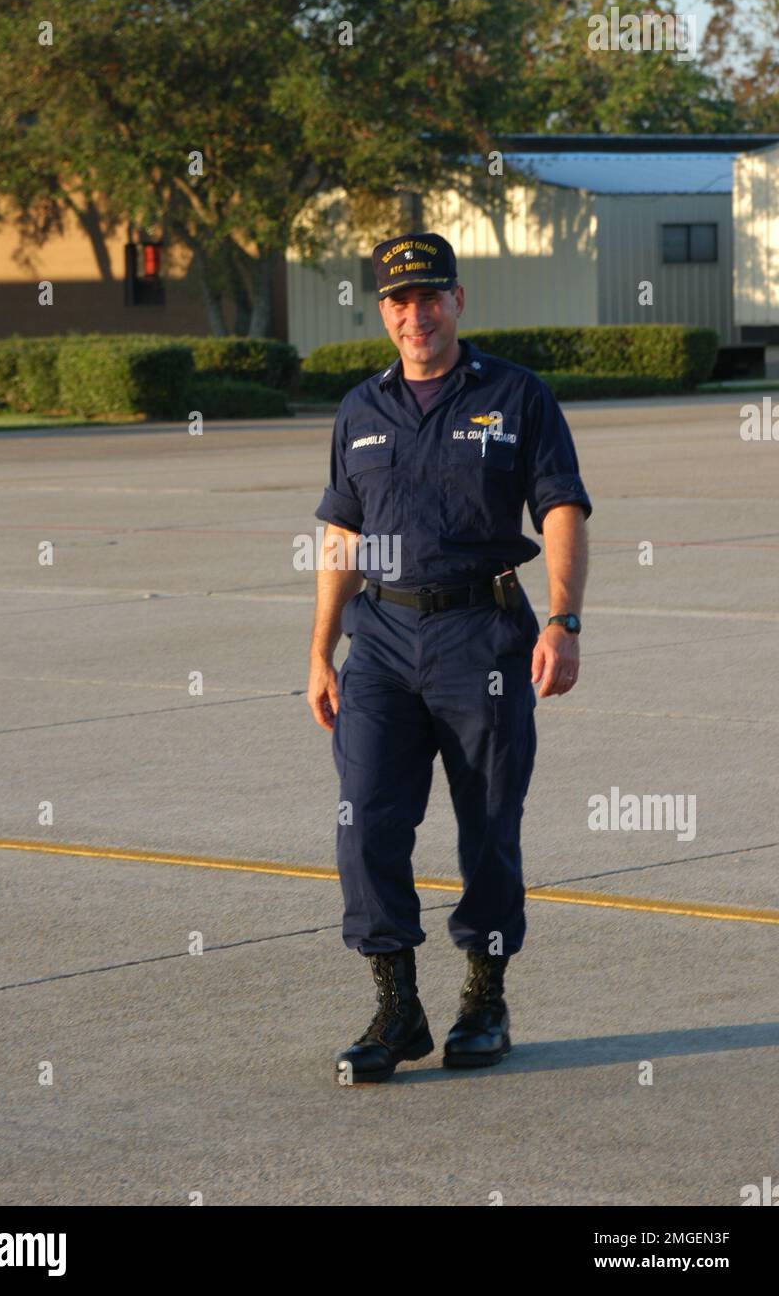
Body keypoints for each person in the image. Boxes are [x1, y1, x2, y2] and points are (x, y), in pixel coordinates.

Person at [307, 232, 591, 1084]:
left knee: (490, 828)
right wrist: (321, 649)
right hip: (381, 644)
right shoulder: (360, 409)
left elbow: (561, 508)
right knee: (365, 823)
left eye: (430, 296)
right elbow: (341, 533)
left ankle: (484, 997)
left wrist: (564, 623)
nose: (415, 313)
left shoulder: (516, 395)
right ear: (383, 311)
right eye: (398, 300)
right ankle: (398, 1006)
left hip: (485, 637)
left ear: (458, 301)